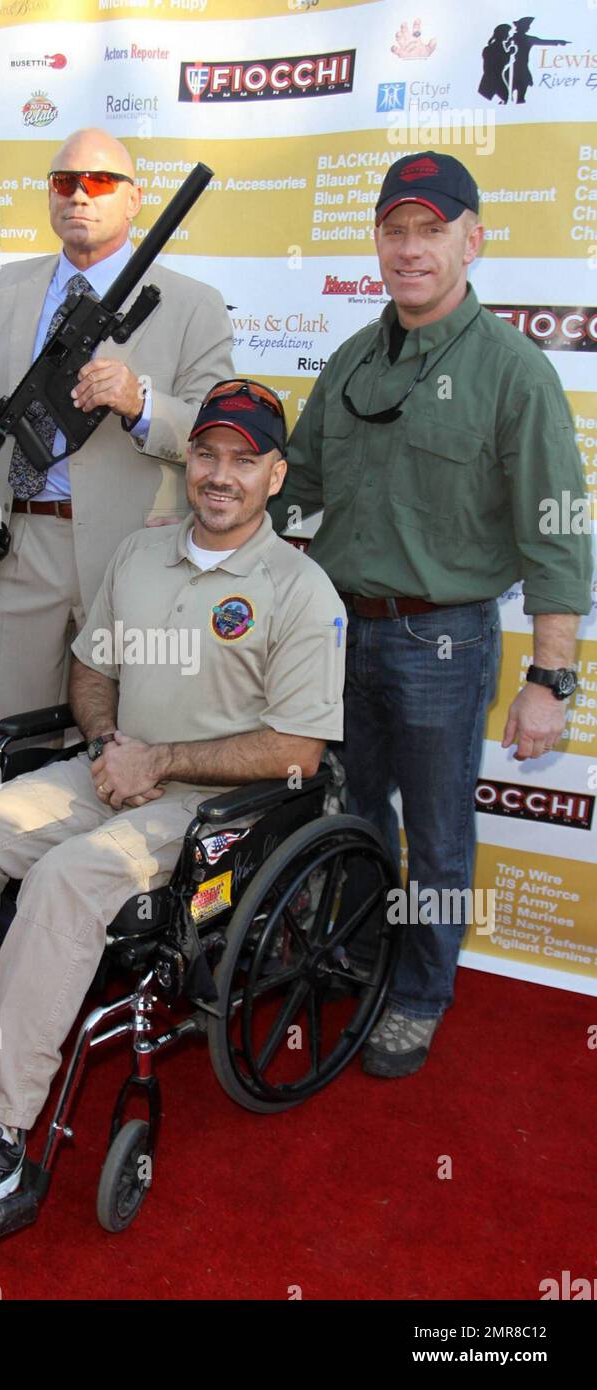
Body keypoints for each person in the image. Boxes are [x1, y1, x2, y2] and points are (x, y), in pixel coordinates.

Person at [0, 380, 346, 1230]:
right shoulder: (141, 555)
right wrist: (108, 743)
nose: (220, 473)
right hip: (116, 766)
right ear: (188, 460)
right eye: (206, 453)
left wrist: (160, 759)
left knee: (67, 877)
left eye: (244, 459)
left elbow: (296, 751)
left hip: (215, 809)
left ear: (276, 475)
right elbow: (93, 671)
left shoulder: (301, 592)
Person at [268, 151, 592, 1078]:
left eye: (432, 229)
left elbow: (558, 538)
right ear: (377, 240)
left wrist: (550, 679)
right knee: (349, 812)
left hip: (441, 642)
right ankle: (360, 958)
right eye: (395, 229)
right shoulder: (353, 359)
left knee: (440, 837)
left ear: (472, 239)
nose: (411, 248)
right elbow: (299, 492)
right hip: (335, 631)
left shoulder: (513, 372)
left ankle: (419, 993)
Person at [0, 126, 234, 755]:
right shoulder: (7, 289)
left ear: (134, 200)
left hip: (137, 554)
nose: (80, 195)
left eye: (100, 182)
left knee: (132, 744)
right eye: (64, 182)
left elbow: (221, 442)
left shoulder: (194, 305)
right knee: (14, 744)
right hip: (18, 548)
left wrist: (140, 404)